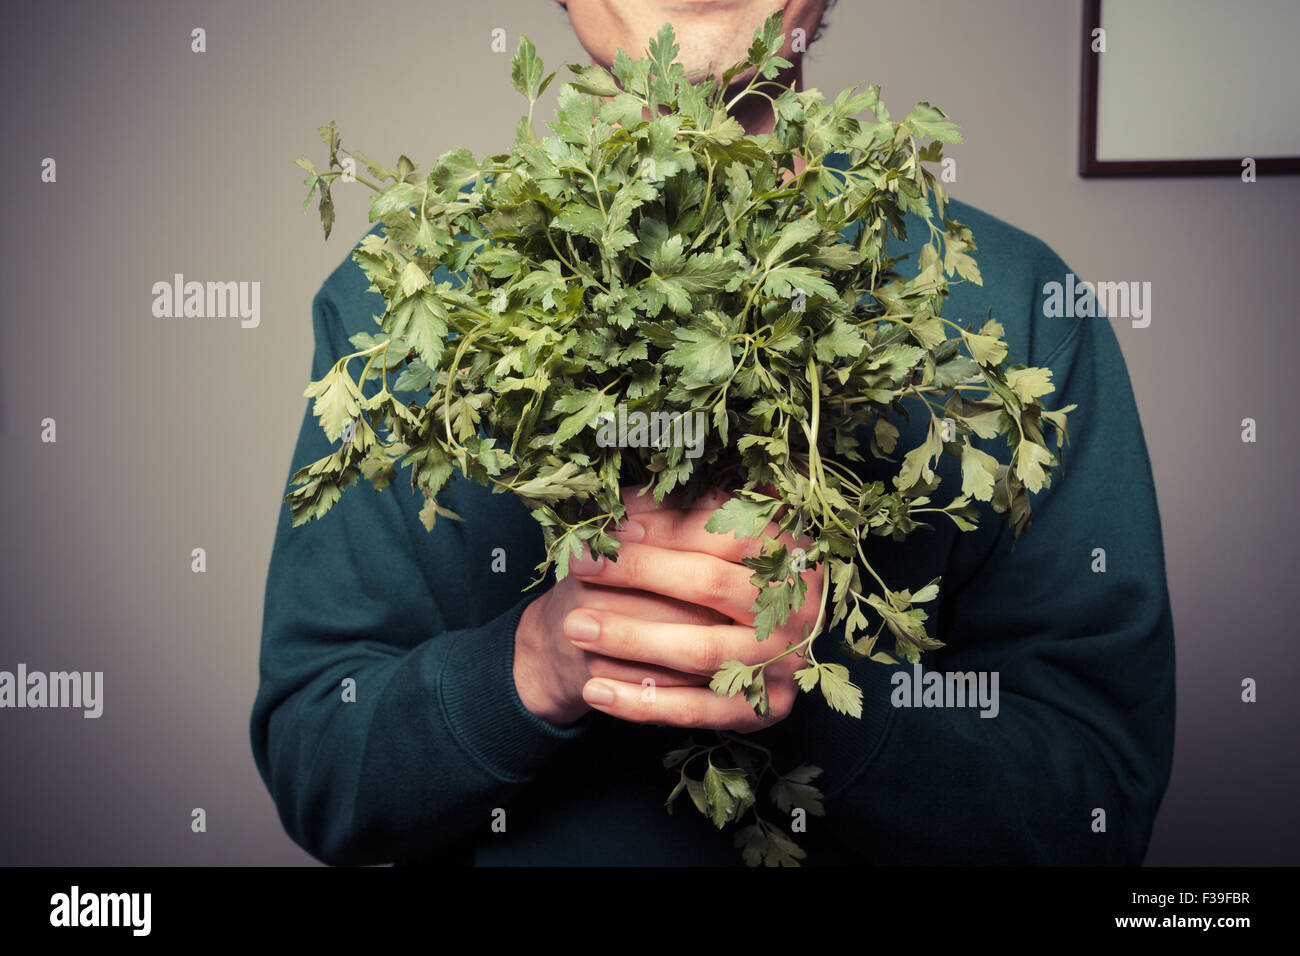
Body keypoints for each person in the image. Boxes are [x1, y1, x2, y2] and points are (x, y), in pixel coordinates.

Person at [251, 0, 1175, 865]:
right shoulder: (405, 292)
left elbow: (1098, 805)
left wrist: (821, 700)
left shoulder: (1017, 309)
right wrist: (532, 666)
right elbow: (318, 762)